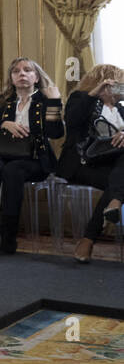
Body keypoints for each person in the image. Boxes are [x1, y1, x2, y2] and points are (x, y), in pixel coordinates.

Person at [0, 58, 63, 253]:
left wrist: (55, 101)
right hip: (2, 155)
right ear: (11, 78)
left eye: (27, 70)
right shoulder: (1, 101)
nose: (21, 74)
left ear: (36, 76)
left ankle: (8, 239)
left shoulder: (45, 99)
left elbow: (55, 133)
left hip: (34, 159)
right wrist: (2, 125)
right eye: (16, 71)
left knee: (13, 170)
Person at [59, 64, 124, 263]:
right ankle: (115, 200)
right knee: (119, 185)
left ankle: (88, 239)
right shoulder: (81, 99)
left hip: (111, 167)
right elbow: (72, 122)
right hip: (82, 163)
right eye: (119, 82)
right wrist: (95, 93)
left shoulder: (121, 109)